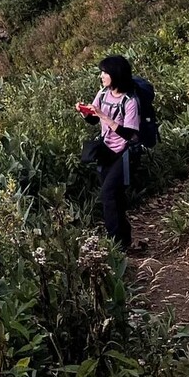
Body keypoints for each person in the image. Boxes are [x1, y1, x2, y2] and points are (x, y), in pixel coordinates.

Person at [75, 54, 141, 251]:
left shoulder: (130, 101)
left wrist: (104, 115)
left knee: (108, 194)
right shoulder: (103, 94)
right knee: (115, 197)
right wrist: (86, 112)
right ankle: (124, 242)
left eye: (105, 73)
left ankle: (115, 245)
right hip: (106, 151)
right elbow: (95, 120)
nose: (102, 76)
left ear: (116, 74)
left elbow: (129, 133)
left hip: (125, 153)